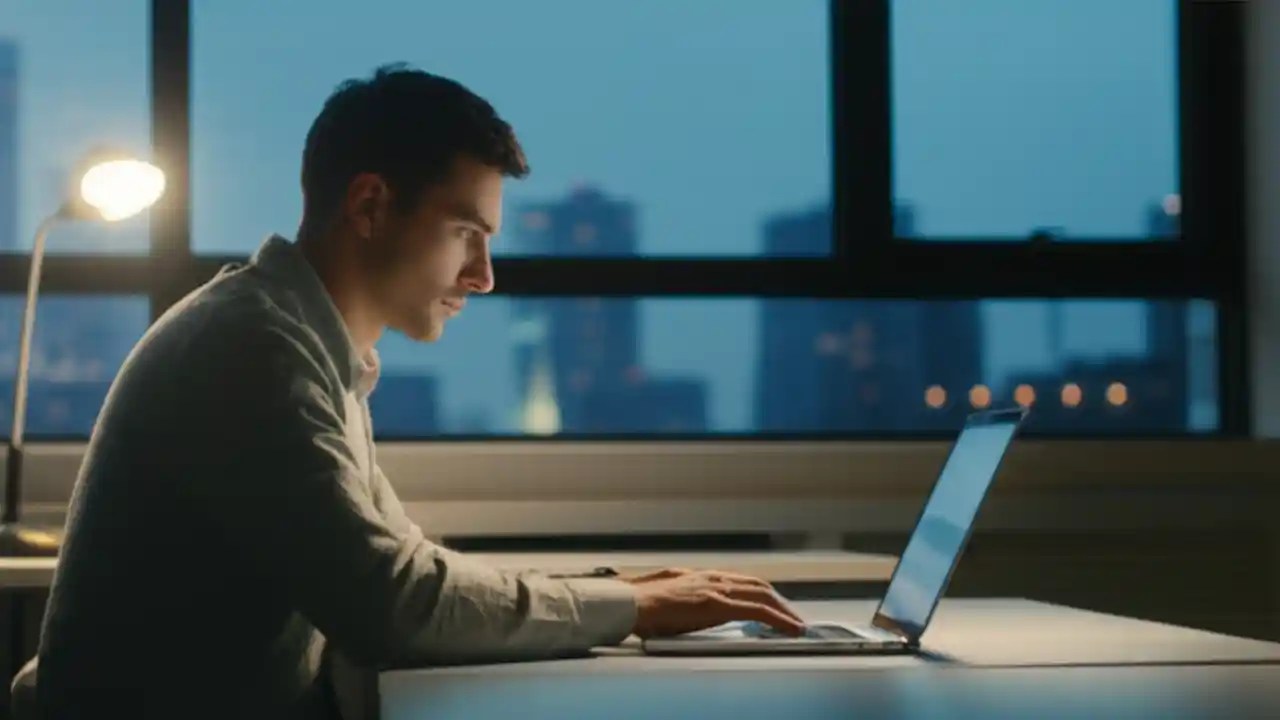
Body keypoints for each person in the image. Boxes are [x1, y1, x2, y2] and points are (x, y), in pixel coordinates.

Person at [29, 64, 804, 719]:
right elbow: (392, 606)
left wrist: (620, 591)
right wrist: (633, 608)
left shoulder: (305, 344)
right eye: (467, 233)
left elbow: (404, 568)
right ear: (369, 205)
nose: (485, 275)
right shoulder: (255, 350)